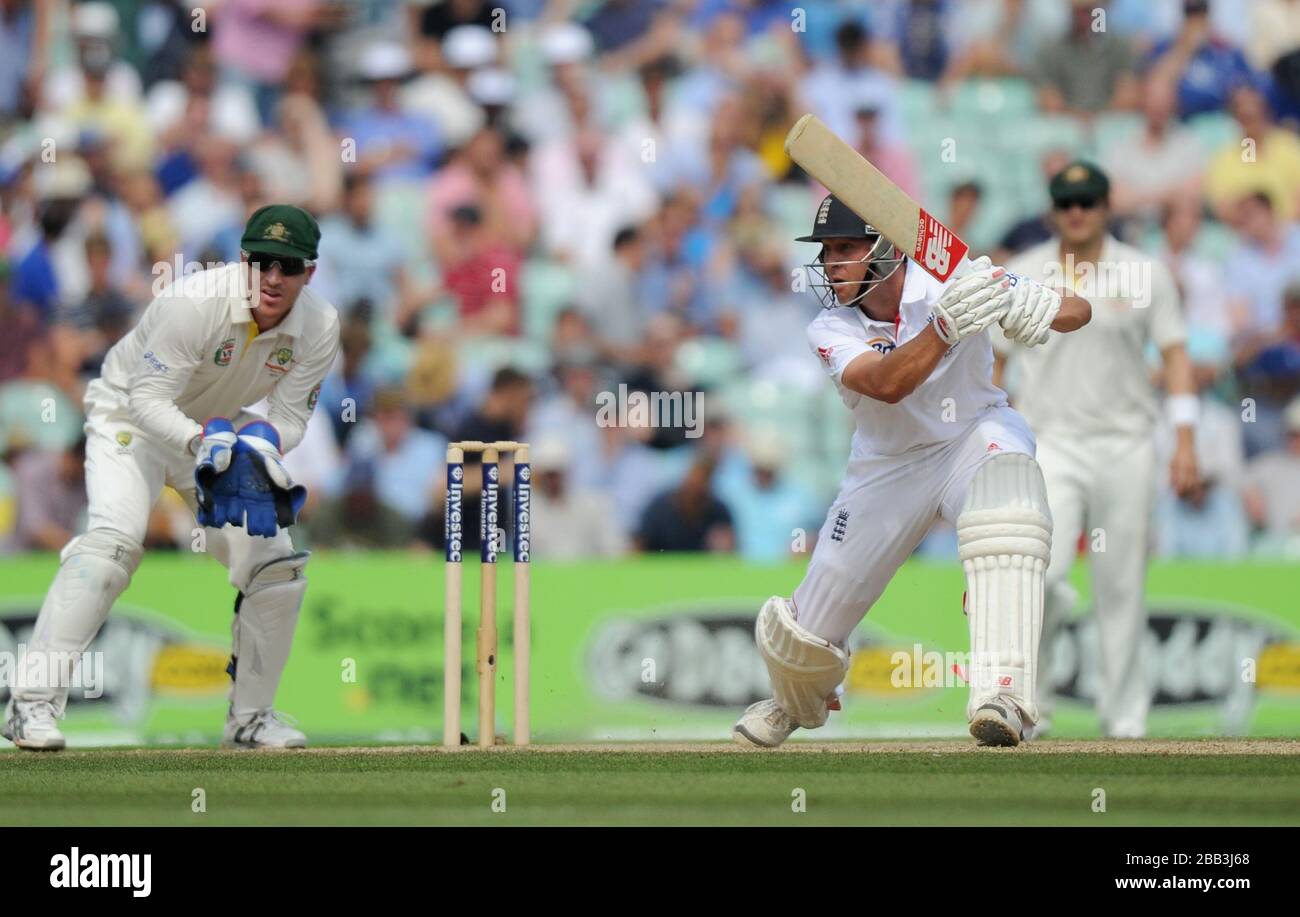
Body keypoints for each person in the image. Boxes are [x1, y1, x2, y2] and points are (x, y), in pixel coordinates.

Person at [733, 193, 1091, 750]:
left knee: (1010, 513)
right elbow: (887, 384)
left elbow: (1079, 311)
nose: (831, 264)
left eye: (845, 248)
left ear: (885, 249)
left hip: (973, 433)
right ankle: (793, 701)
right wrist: (945, 328)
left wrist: (1023, 304)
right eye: (826, 252)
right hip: (887, 465)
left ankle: (1005, 696)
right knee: (803, 639)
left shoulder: (952, 278)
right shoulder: (829, 327)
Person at [2, 204, 340, 751]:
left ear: (310, 272)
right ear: (243, 259)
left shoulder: (319, 325)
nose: (273, 279)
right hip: (130, 419)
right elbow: (146, 398)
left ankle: (250, 719)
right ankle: (30, 705)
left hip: (220, 430)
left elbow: (292, 416)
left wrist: (260, 448)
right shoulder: (193, 304)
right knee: (114, 544)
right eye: (262, 263)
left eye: (289, 266)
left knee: (276, 567)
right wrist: (204, 442)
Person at [996, 162, 1198, 739]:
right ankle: (1031, 707)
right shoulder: (1024, 274)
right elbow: (996, 366)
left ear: (1107, 207)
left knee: (1120, 585)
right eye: (1066, 202)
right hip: (1048, 444)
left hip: (1126, 443)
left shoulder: (1144, 273)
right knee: (1042, 576)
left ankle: (1125, 721)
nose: (1076, 212)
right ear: (1052, 211)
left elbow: (1175, 354)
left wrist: (1185, 440)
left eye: (1086, 200)